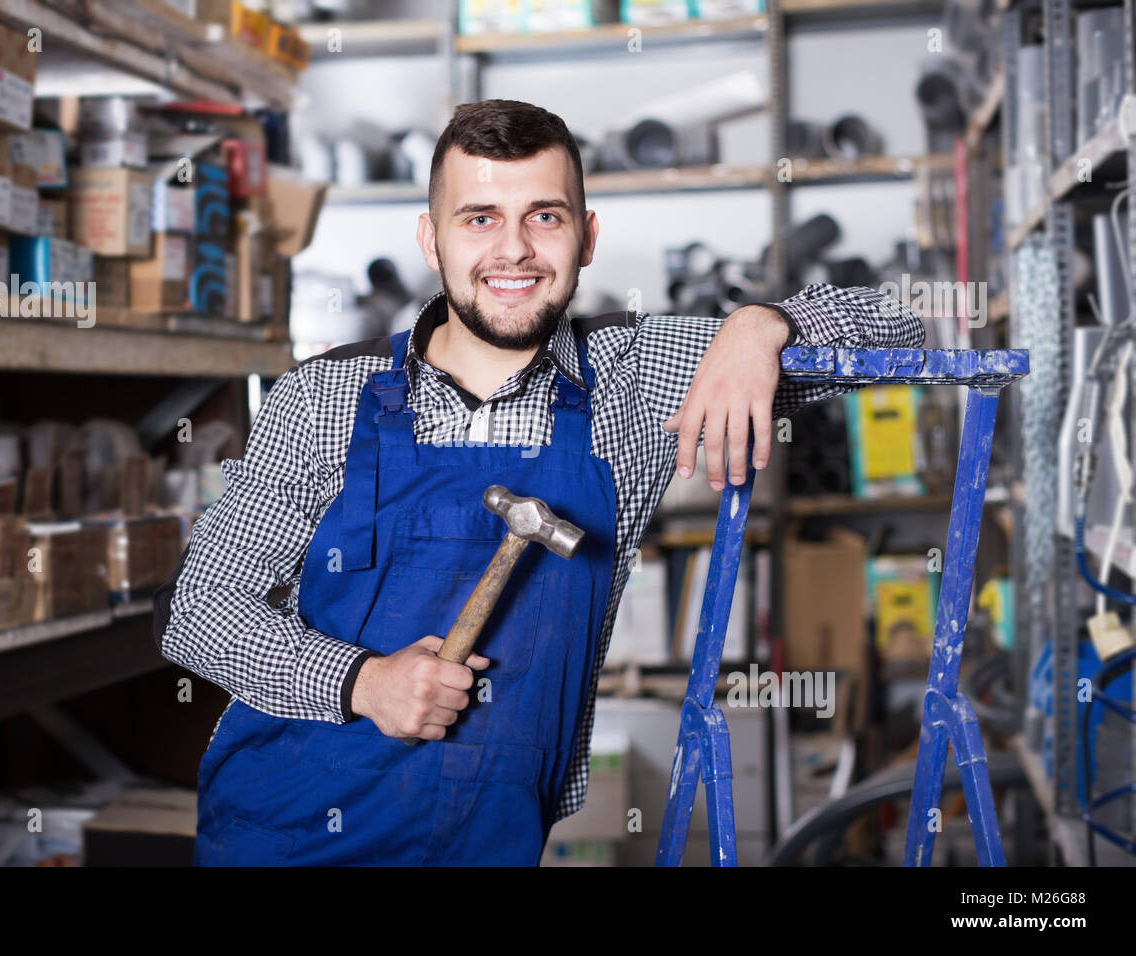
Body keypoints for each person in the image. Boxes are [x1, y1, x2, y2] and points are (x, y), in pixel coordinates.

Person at [155, 98, 925, 866]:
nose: (514, 250)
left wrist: (759, 327)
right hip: (284, 831)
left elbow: (903, 329)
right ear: (431, 238)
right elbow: (199, 611)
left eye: (545, 217)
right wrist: (362, 682)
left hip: (490, 842)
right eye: (480, 218)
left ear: (586, 238)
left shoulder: (632, 381)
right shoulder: (325, 396)